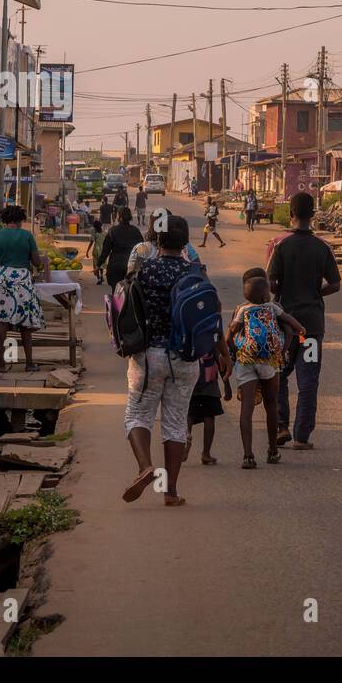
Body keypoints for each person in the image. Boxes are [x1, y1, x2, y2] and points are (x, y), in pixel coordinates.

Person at [121, 215, 205, 507]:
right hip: (184, 357)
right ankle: (170, 492)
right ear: (185, 242)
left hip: (148, 356)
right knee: (175, 424)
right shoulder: (194, 272)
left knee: (137, 416)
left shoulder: (146, 271)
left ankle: (145, 468)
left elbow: (126, 308)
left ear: (157, 240)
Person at [268, 192, 341, 450]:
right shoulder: (323, 248)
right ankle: (302, 436)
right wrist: (314, 292)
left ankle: (281, 426)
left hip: (285, 324)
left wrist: (284, 287)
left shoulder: (281, 247)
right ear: (313, 215)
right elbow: (335, 284)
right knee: (308, 379)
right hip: (311, 326)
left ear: (291, 214)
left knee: (279, 374)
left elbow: (271, 282)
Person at [228, 274, 305, 468]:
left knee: (247, 408)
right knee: (271, 405)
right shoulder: (273, 307)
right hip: (269, 362)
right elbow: (290, 323)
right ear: (265, 297)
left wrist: (234, 350)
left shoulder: (242, 309)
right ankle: (272, 452)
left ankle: (247, 456)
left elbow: (231, 331)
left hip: (246, 360)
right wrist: (301, 329)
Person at [0, 205, 46, 373]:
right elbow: (36, 261)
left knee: (1, 322)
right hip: (22, 280)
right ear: (20, 220)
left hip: (0, 278)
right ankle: (29, 363)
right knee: (25, 324)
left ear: (5, 220)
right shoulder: (27, 236)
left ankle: (1, 364)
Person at [186, 331, 232, 466]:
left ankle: (185, 441)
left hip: (191, 377)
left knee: (189, 413)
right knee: (209, 415)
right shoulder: (211, 328)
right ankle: (206, 453)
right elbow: (220, 358)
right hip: (209, 380)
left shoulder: (189, 323)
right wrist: (226, 384)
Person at [99, 207, 143, 289]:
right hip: (131, 267)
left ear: (118, 217)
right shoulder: (136, 231)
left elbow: (105, 250)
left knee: (116, 294)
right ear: (130, 216)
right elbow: (142, 250)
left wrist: (99, 263)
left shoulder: (113, 231)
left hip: (115, 266)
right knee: (130, 293)